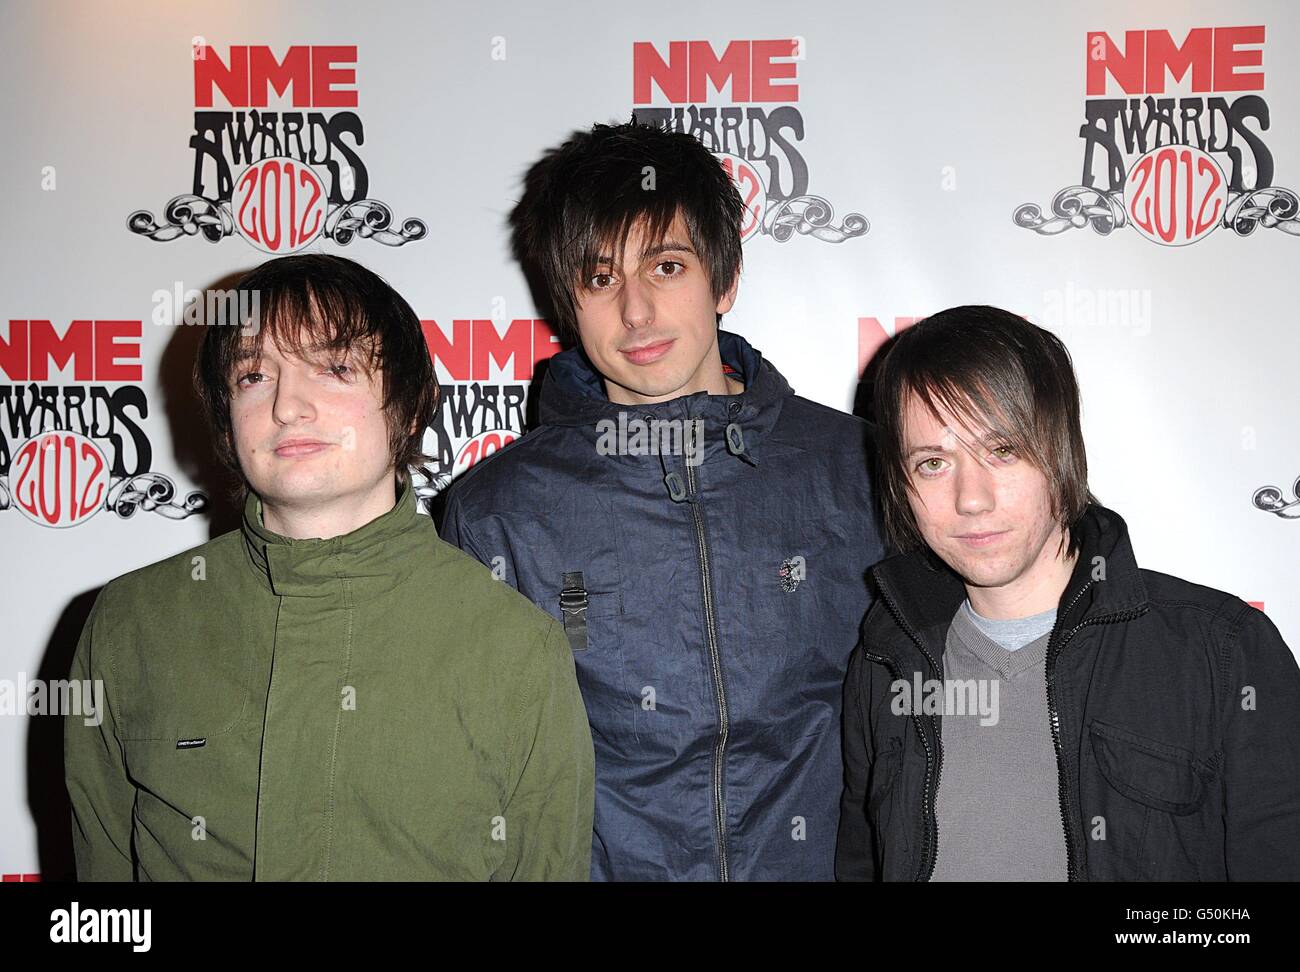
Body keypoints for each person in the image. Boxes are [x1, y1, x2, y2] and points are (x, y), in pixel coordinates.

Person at [440, 120, 887, 880]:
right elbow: (472, 778)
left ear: (725, 279)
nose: (636, 312)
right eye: (599, 279)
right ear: (567, 302)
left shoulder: (861, 470)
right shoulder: (498, 512)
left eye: (667, 266)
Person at [65, 254, 594, 881]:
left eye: (335, 368)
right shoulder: (133, 622)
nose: (288, 406)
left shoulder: (516, 647)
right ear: (226, 419)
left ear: (410, 405)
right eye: (254, 376)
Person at [837, 304, 1300, 881]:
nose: (971, 498)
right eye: (933, 463)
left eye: (1002, 451)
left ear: (1061, 451)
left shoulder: (1222, 651)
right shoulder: (883, 659)